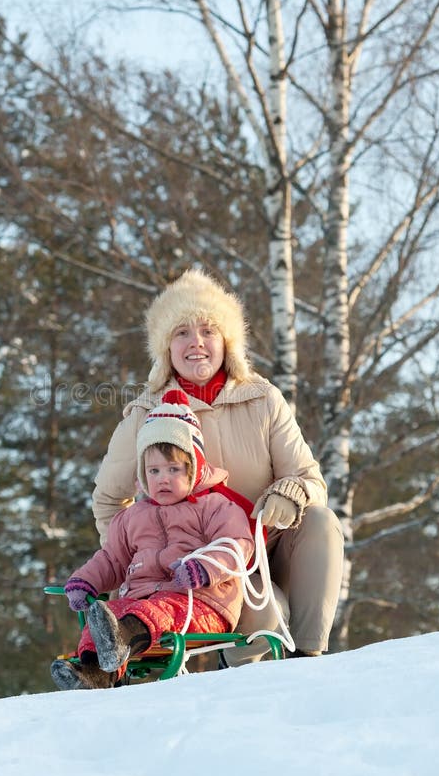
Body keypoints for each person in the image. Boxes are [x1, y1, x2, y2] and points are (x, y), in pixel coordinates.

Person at [92, 268, 344, 663]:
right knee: (268, 618)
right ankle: (233, 685)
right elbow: (109, 502)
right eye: (181, 333)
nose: (197, 343)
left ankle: (309, 657)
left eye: (208, 331)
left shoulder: (263, 399)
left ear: (227, 341)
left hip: (266, 546)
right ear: (166, 348)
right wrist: (138, 559)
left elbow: (310, 478)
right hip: (201, 568)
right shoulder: (146, 413)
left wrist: (290, 492)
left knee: (321, 521)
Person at [50, 390, 255, 690]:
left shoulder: (215, 506)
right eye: (154, 470)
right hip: (143, 603)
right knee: (110, 613)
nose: (163, 478)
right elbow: (112, 559)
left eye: (174, 469)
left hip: (200, 604)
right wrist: (85, 581)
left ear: (194, 466)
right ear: (143, 475)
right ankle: (94, 673)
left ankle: (119, 642)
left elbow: (237, 544)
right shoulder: (133, 516)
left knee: (153, 609)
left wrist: (203, 567)